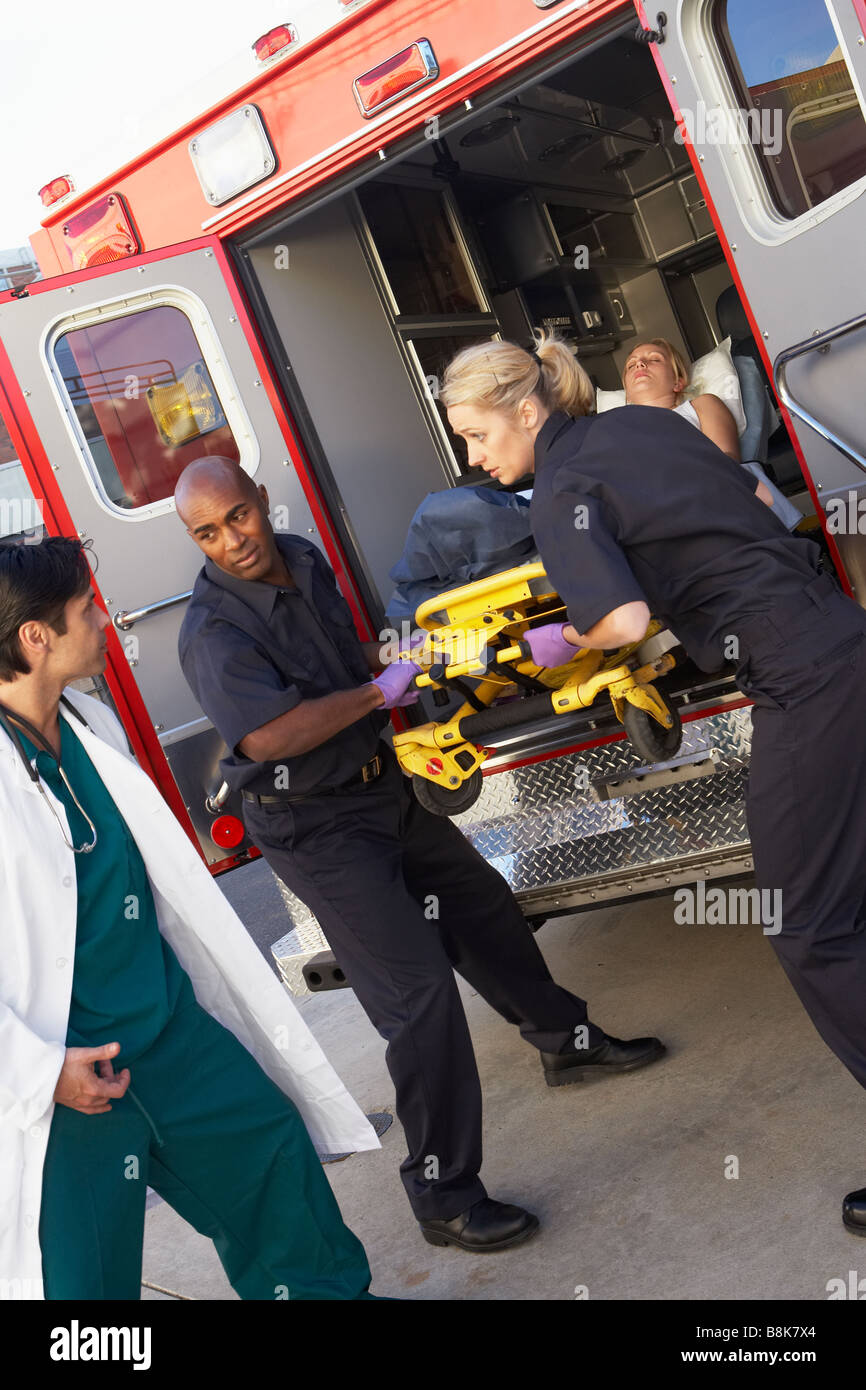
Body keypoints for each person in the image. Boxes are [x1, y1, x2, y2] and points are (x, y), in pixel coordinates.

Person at [173, 456, 667, 1255]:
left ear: (261, 501)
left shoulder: (300, 559)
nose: (232, 541)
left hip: (381, 789)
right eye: (208, 533)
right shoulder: (214, 631)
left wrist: (442, 652)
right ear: (194, 540)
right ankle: (443, 1194)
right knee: (419, 997)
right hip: (314, 826)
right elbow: (265, 737)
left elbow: (359, 654)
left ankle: (565, 1044)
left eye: (239, 516)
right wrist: (379, 694)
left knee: (486, 914)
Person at [442, 331, 866, 1236]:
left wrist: (567, 640)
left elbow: (625, 615)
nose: (476, 459)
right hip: (842, 634)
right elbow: (761, 495)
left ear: (527, 410)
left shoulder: (559, 491)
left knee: (809, 926)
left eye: (478, 435)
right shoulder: (647, 423)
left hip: (802, 686)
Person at [0, 536, 384, 1301]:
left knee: (268, 1157)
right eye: (86, 610)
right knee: (80, 1283)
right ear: (34, 638)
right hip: (64, 1076)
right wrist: (38, 1073)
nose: (105, 620)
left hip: (169, 1034)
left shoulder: (86, 723)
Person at [622, 338, 803, 531]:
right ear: (627, 395)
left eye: (654, 359)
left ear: (678, 382)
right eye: (631, 364)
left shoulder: (701, 406)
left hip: (710, 502)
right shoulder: (617, 434)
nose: (640, 364)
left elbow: (725, 461)